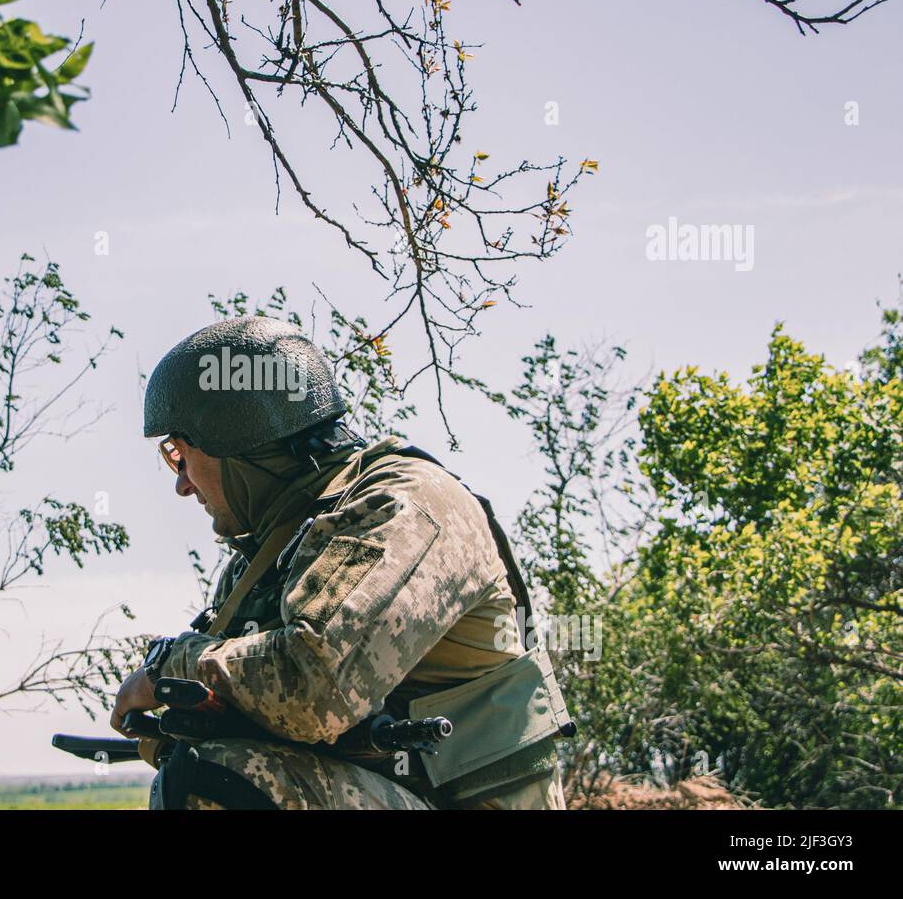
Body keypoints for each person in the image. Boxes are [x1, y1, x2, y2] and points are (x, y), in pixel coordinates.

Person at [112, 315, 572, 809]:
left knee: (223, 778)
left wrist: (168, 667)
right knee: (201, 769)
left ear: (234, 443)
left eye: (179, 454)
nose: (181, 484)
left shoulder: (405, 506)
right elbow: (252, 704)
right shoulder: (272, 555)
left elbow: (314, 688)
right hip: (400, 794)